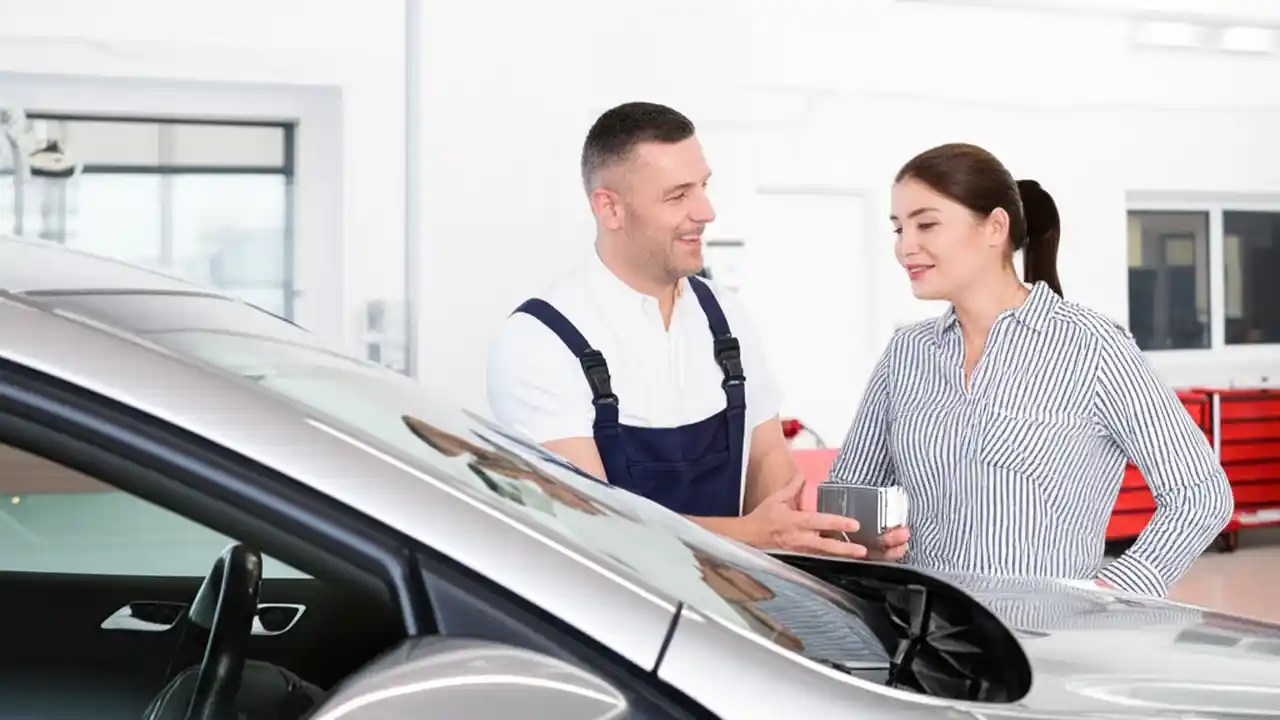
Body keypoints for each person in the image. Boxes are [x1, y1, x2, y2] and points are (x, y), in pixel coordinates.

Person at [487, 101, 901, 559]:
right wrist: (752, 536)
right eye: (678, 195)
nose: (706, 211)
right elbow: (589, 521)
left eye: (703, 186)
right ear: (610, 209)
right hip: (606, 618)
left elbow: (769, 465)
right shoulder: (540, 340)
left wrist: (821, 539)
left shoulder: (725, 315)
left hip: (724, 615)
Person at [828, 142, 1233, 597]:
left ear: (994, 227)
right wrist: (868, 545)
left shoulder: (1092, 348)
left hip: (1046, 648)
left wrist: (1111, 596)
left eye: (926, 224)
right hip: (925, 633)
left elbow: (1199, 496)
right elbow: (849, 496)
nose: (905, 247)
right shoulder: (907, 353)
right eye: (898, 229)